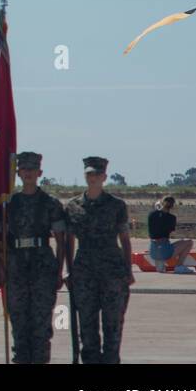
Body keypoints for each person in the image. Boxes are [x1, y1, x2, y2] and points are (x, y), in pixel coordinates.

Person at [65, 156, 134, 364]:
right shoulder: (73, 206)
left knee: (113, 326)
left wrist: (128, 270)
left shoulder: (116, 206)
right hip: (84, 271)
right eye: (89, 174)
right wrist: (69, 271)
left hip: (112, 271)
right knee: (87, 326)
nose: (93, 177)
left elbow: (125, 240)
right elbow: (68, 242)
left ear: (104, 176)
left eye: (97, 174)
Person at [5, 151, 67, 364]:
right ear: (18, 173)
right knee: (19, 326)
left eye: (32, 169)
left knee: (41, 327)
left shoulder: (51, 203)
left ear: (40, 172)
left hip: (42, 268)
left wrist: (59, 270)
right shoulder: (9, 204)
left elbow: (61, 241)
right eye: (24, 169)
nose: (28, 173)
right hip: (16, 269)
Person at [148, 196, 195, 273]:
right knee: (189, 242)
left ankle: (160, 262)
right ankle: (179, 266)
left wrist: (158, 208)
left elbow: (157, 222)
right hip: (164, 248)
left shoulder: (151, 215)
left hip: (153, 249)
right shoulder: (172, 218)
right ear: (172, 206)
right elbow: (170, 230)